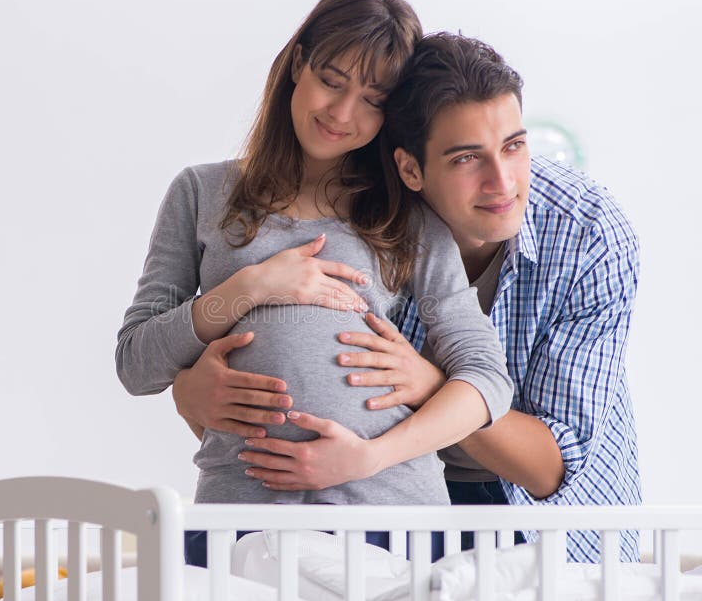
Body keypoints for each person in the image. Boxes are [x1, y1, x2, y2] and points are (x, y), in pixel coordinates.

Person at [174, 32, 642, 563]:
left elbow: (549, 469)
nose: (502, 182)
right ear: (409, 167)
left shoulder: (589, 234)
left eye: (514, 145)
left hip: (548, 522)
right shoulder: (354, 216)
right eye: (467, 158)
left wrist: (430, 387)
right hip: (399, 499)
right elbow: (283, 379)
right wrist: (189, 391)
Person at [116, 0, 513, 565]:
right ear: (299, 61)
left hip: (389, 519)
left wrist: (368, 458)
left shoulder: (407, 214)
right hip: (239, 521)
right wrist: (246, 289)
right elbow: (136, 364)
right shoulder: (201, 193)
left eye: (372, 99)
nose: (342, 113)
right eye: (332, 80)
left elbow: (487, 382)